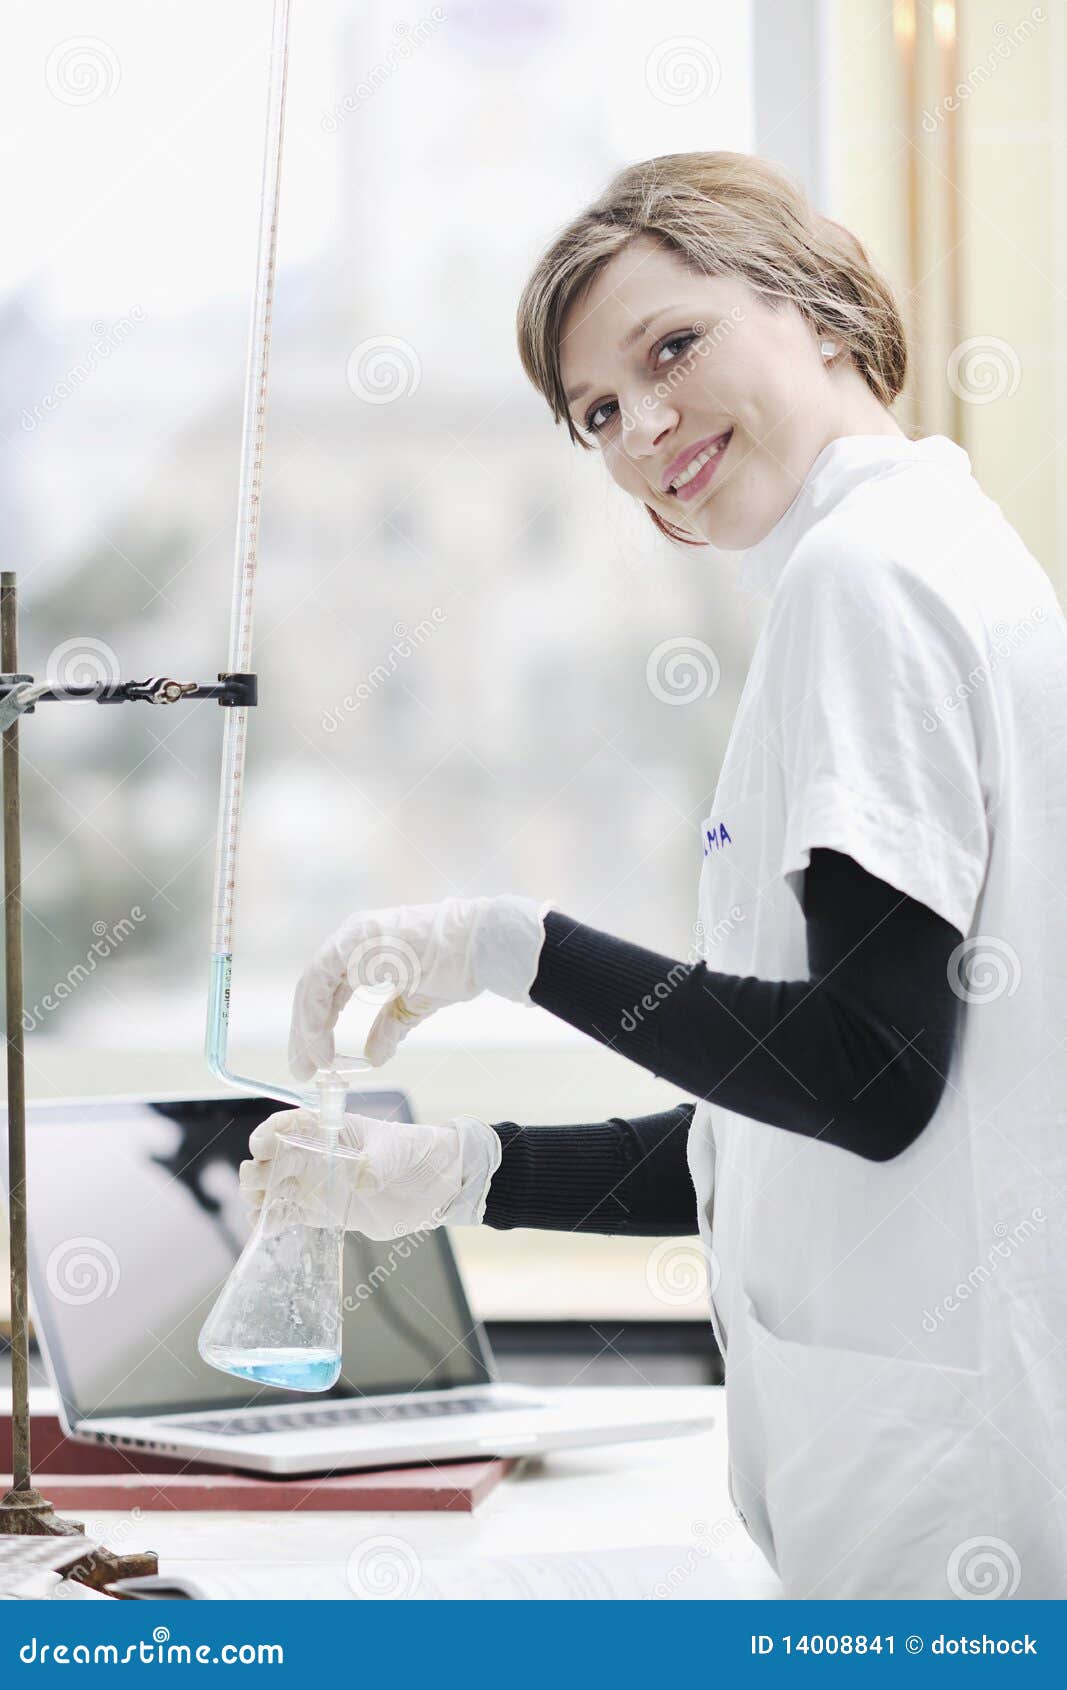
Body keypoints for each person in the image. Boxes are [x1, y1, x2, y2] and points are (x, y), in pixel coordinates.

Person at [242, 153, 1067, 1601]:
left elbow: (866, 1079)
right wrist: (457, 1172)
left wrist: (513, 945)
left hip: (944, 1495)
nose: (643, 430)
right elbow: (777, 1132)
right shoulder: (924, 545)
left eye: (670, 347)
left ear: (813, 303)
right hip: (935, 1448)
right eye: (598, 415)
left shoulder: (861, 578)